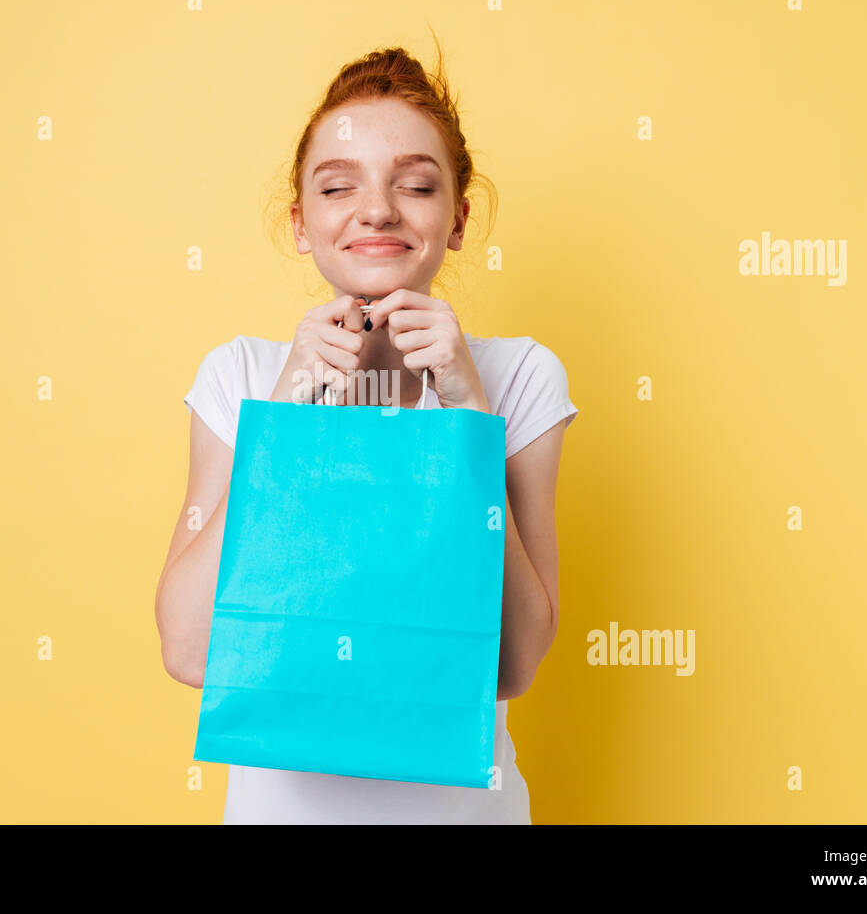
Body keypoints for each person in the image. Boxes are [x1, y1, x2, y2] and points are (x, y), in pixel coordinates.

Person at [154, 41, 579, 823]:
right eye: (339, 186)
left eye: (414, 184)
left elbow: (514, 661)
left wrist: (465, 413)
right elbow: (186, 647)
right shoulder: (240, 378)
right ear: (302, 223)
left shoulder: (519, 378)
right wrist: (285, 417)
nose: (377, 209)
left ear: (455, 218)